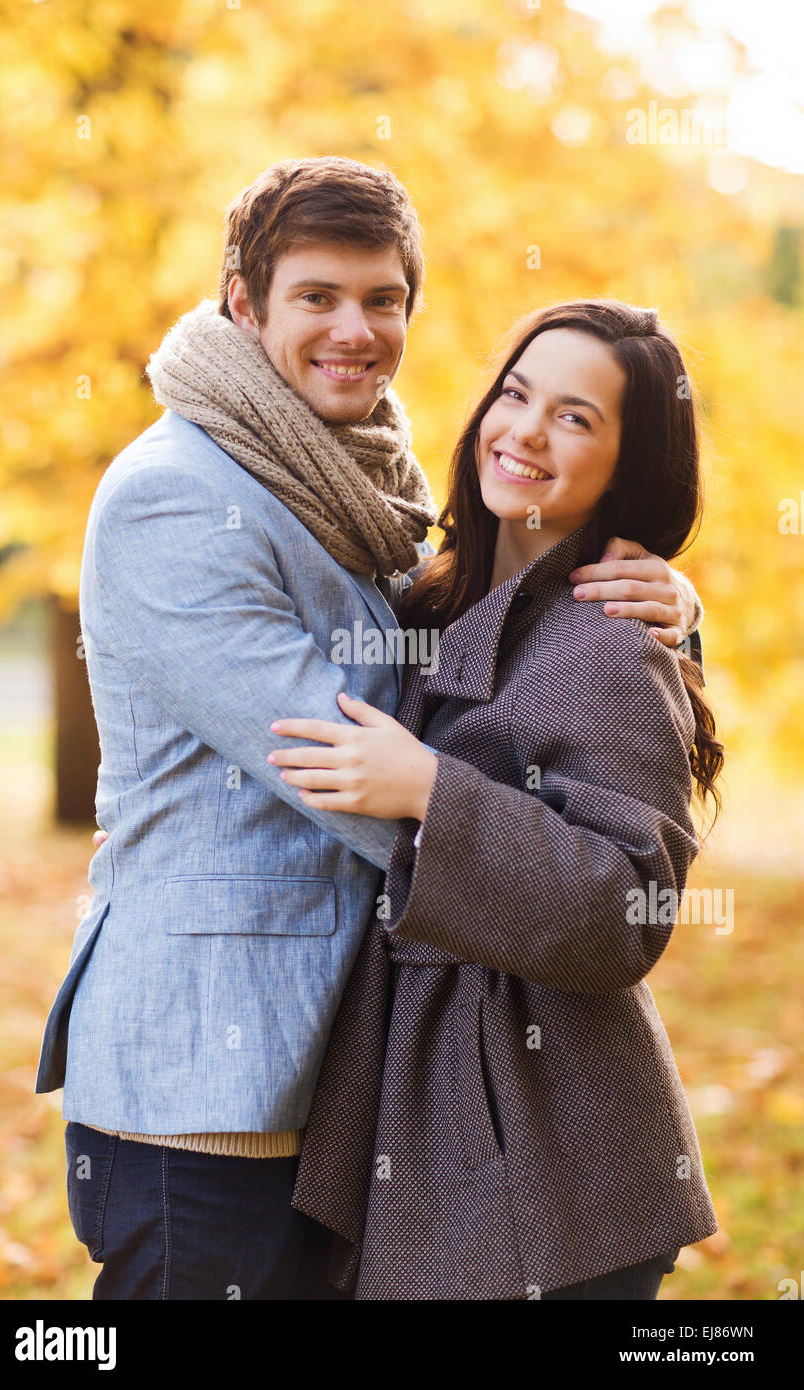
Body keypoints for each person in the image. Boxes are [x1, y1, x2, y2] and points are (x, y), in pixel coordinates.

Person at [35, 154, 704, 1300]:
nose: (355, 329)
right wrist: (461, 795)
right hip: (215, 1087)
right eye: (316, 296)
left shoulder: (352, 492)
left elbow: (489, 671)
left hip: (352, 1092)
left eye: (382, 299)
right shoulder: (179, 494)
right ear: (242, 302)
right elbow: (344, 762)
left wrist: (666, 628)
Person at [280, 299, 723, 1300]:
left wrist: (433, 793)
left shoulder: (613, 639)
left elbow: (627, 907)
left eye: (574, 418)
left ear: (628, 466)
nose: (523, 430)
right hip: (430, 1120)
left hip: (549, 1160)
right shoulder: (434, 600)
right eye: (515, 394)